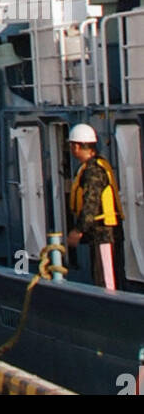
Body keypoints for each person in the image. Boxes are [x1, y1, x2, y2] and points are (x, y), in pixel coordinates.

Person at [67, 123, 124, 291]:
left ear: (76, 146)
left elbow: (91, 203)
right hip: (100, 234)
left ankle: (112, 312)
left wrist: (77, 231)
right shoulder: (95, 165)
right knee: (101, 276)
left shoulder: (93, 170)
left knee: (107, 281)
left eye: (71, 145)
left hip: (104, 234)